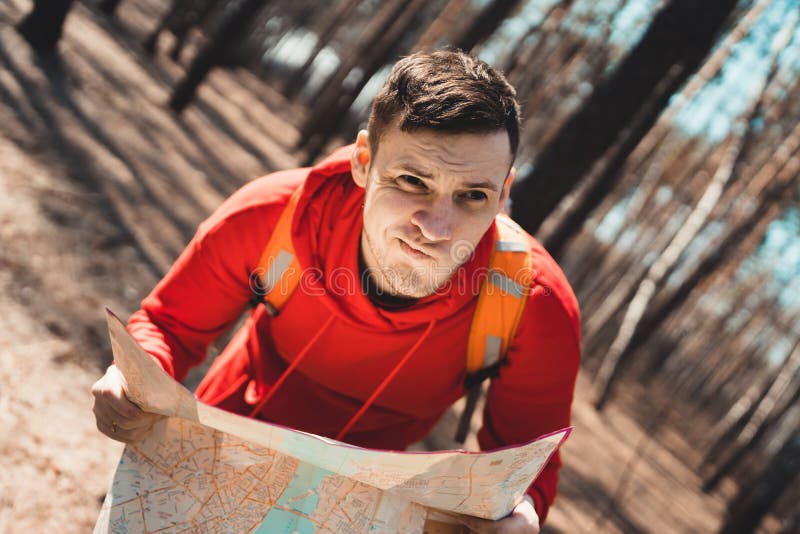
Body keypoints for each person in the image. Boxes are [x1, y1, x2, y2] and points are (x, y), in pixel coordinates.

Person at [92, 50, 580, 533]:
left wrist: (521, 513)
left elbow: (526, 464)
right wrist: (134, 380)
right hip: (215, 447)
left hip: (363, 509)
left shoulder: (532, 303)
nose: (437, 227)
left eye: (473, 195)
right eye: (412, 181)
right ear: (364, 161)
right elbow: (168, 327)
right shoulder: (273, 216)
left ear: (502, 192)